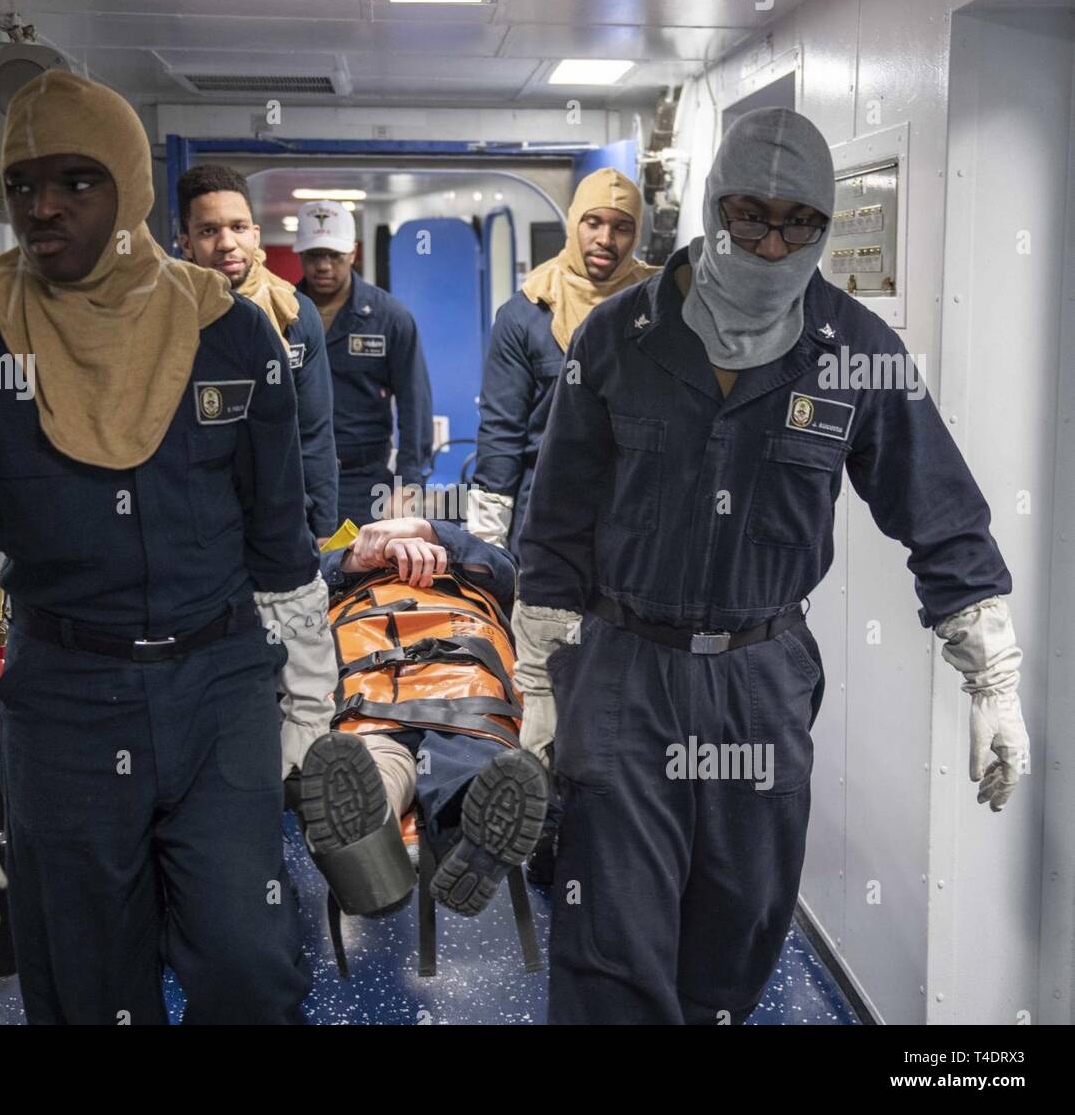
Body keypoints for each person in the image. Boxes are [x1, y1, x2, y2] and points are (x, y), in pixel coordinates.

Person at [512, 107, 1032, 1025]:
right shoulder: (616, 338)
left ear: (825, 229)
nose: (770, 240)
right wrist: (536, 681)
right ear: (714, 208)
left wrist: (995, 682)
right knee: (612, 947)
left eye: (799, 222)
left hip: (760, 680)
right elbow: (555, 521)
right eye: (749, 214)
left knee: (741, 925)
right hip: (626, 672)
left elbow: (939, 514)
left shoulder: (856, 353)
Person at [0, 72, 337, 1024]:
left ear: (131, 190)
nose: (43, 207)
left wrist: (308, 714)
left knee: (249, 965)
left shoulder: (230, 334)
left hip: (222, 687)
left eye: (77, 180)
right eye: (21, 185)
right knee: (86, 989)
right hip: (66, 701)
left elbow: (281, 543)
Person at [297, 517, 548, 918]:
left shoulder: (470, 560)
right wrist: (350, 560)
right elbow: (293, 595)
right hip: (391, 689)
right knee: (377, 759)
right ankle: (441, 836)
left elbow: (507, 574)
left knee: (463, 756)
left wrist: (433, 534)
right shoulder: (333, 567)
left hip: (453, 684)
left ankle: (393, 852)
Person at [468, 167, 658, 558]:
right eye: (594, 222)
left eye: (621, 227)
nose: (605, 239)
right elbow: (502, 432)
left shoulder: (661, 310)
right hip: (546, 519)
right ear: (575, 224)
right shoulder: (525, 313)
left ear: (636, 234)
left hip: (639, 520)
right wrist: (486, 543)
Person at [177, 163, 339, 542]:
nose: (226, 243)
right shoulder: (163, 317)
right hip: (192, 526)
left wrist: (326, 534)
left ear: (255, 234)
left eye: (237, 227)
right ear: (186, 242)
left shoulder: (295, 313)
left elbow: (314, 435)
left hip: (282, 521)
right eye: (208, 231)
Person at [294, 200, 434, 526]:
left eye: (334, 255)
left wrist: (408, 483)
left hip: (364, 481)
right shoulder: (282, 313)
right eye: (314, 255)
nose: (324, 266)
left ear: (353, 254)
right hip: (295, 480)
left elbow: (415, 404)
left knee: (364, 573)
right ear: (300, 255)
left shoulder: (389, 318)